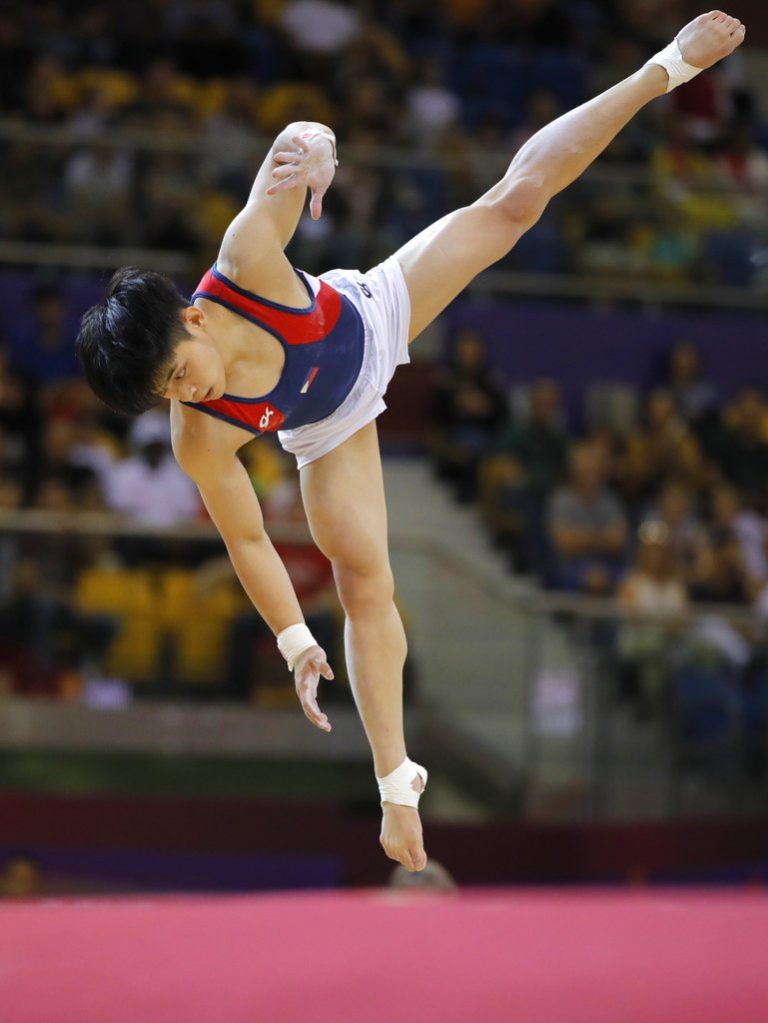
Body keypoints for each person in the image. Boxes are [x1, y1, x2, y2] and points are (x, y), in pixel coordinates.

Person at [75, 12, 747, 873]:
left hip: (369, 315)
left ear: (194, 316)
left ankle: (663, 68)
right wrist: (290, 637)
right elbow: (246, 537)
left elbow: (292, 142)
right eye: (169, 392)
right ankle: (397, 784)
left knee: (512, 205)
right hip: (327, 428)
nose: (189, 390)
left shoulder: (243, 259)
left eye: (181, 368)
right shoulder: (199, 435)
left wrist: (314, 148)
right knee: (365, 582)